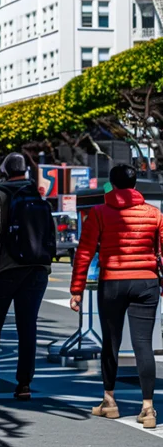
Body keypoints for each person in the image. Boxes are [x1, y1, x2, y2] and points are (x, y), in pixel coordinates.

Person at [71, 165, 163, 429]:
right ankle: (147, 408)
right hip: (145, 282)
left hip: (112, 282)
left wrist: (77, 290)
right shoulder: (154, 214)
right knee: (143, 344)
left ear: (111, 184)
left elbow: (85, 253)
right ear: (135, 185)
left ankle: (109, 401)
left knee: (110, 342)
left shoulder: (98, 213)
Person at [0, 152, 54, 400]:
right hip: (37, 270)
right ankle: (24, 384)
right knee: (27, 325)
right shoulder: (36, 194)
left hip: (5, 270)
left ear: (5, 170)